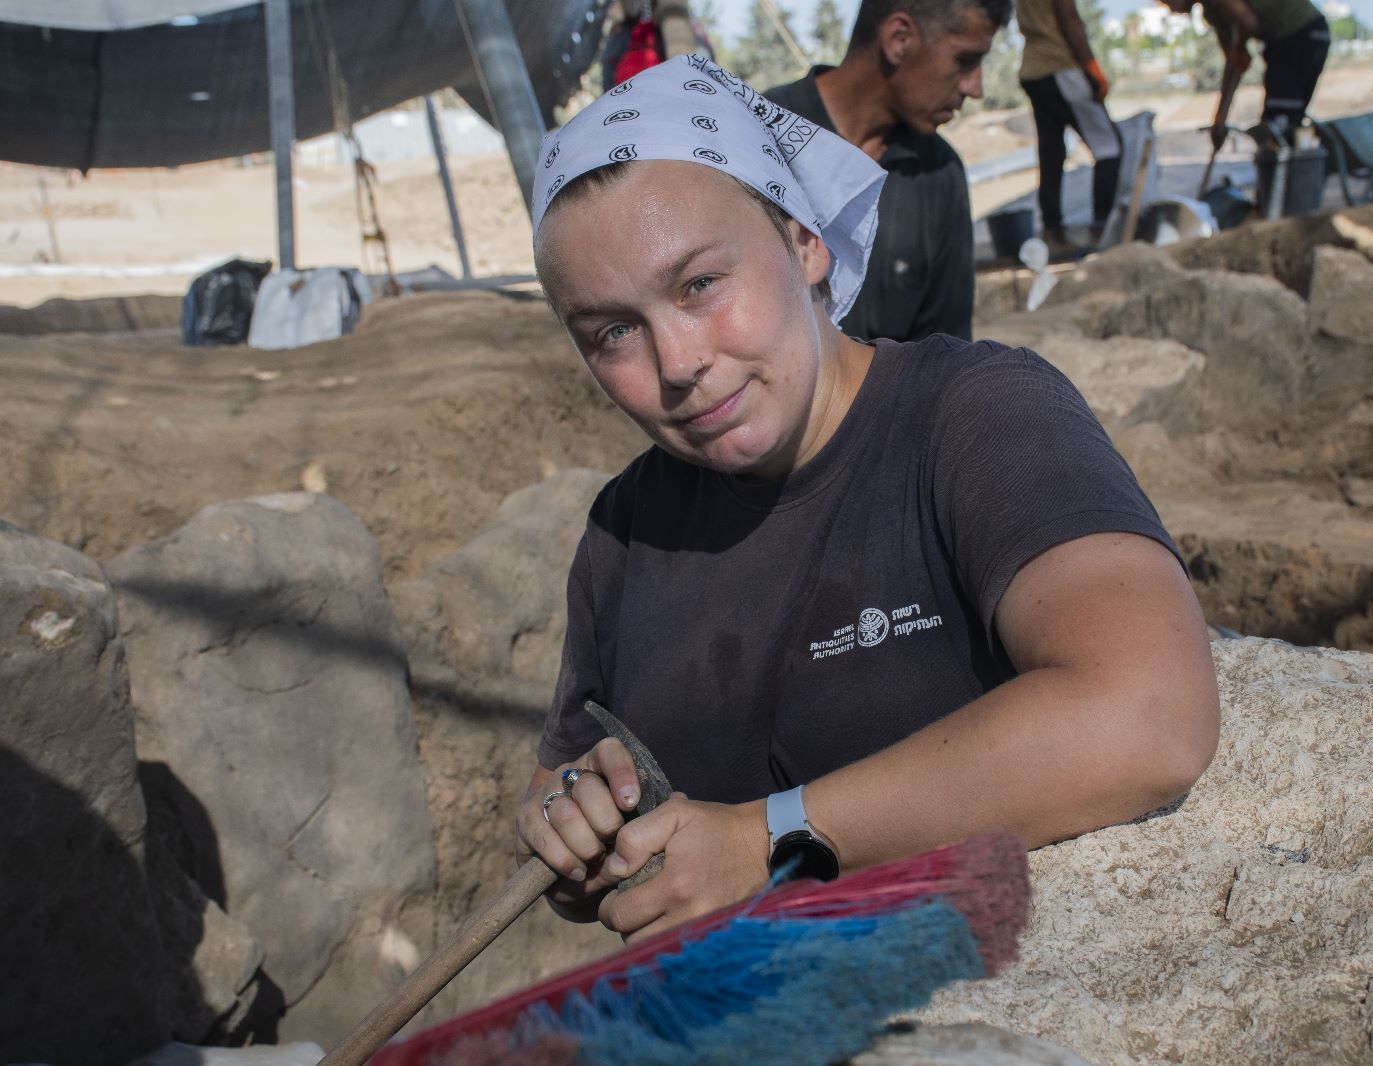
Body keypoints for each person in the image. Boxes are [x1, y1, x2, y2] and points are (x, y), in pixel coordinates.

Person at [516, 55, 1220, 944]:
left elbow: (1148, 712)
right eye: (613, 331)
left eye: (699, 285)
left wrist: (767, 841)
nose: (678, 362)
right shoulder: (626, 534)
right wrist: (572, 825)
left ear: (805, 239)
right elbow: (562, 781)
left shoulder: (973, 420)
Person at [760, 0, 1013, 343]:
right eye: (965, 60)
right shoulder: (757, 138)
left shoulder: (939, 175)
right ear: (899, 39)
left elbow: (941, 358)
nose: (976, 88)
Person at [1017, 0, 1121, 258]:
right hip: (1060, 65)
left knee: (1051, 151)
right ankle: (1103, 231)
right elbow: (1068, 15)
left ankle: (1052, 230)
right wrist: (1091, 66)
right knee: (1109, 146)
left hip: (1033, 69)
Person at [1160, 0, 1330, 149]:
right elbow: (1235, 64)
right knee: (1285, 124)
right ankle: (1290, 177)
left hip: (1299, 36)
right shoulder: (1212, 12)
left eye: (1167, 1)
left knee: (1279, 126)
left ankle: (1289, 179)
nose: (1170, 9)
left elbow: (1247, 21)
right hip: (1301, 38)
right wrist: (1220, 119)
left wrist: (1239, 47)